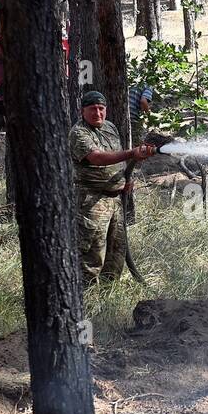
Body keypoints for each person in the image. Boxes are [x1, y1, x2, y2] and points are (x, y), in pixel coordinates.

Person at [69, 90, 155, 285]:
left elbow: (116, 157)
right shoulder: (79, 132)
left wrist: (125, 179)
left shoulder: (110, 128)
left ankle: (108, 293)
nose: (97, 113)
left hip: (115, 201)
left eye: (101, 108)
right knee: (91, 254)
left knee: (116, 252)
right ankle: (86, 296)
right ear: (83, 111)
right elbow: (97, 158)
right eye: (92, 109)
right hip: (92, 202)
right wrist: (132, 153)